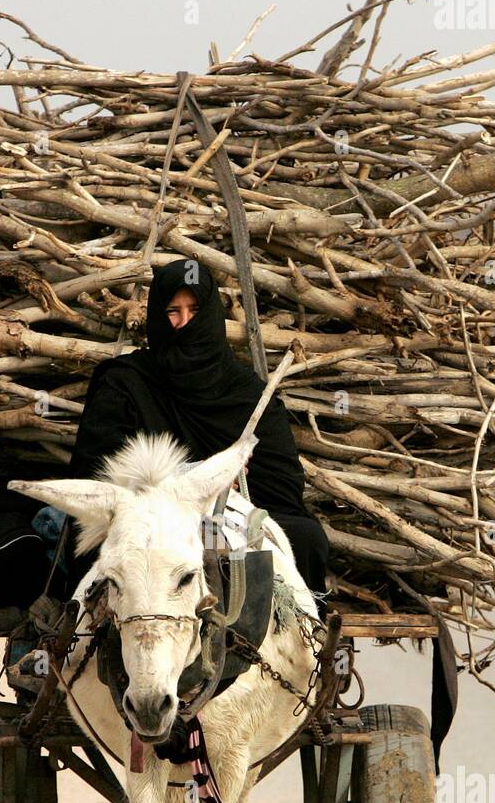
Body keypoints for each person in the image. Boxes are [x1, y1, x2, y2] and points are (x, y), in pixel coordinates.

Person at [65, 257, 330, 605]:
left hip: (235, 518)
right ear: (158, 316)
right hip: (150, 519)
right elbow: (98, 472)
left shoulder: (247, 393)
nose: (185, 323)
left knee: (305, 537)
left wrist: (232, 489)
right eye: (173, 311)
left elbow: (282, 485)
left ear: (210, 316)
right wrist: (190, 481)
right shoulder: (126, 383)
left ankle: (302, 652)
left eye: (195, 310)